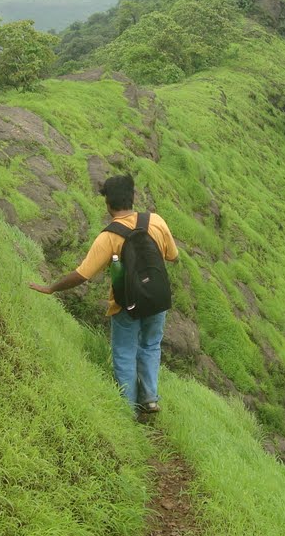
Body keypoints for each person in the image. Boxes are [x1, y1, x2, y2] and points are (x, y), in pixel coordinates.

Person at [29, 174, 179, 413]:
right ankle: (150, 398)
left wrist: (51, 288)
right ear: (133, 198)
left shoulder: (109, 236)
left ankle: (128, 409)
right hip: (157, 299)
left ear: (108, 204)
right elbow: (173, 256)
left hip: (126, 305)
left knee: (124, 353)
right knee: (150, 346)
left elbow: (82, 274)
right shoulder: (157, 221)